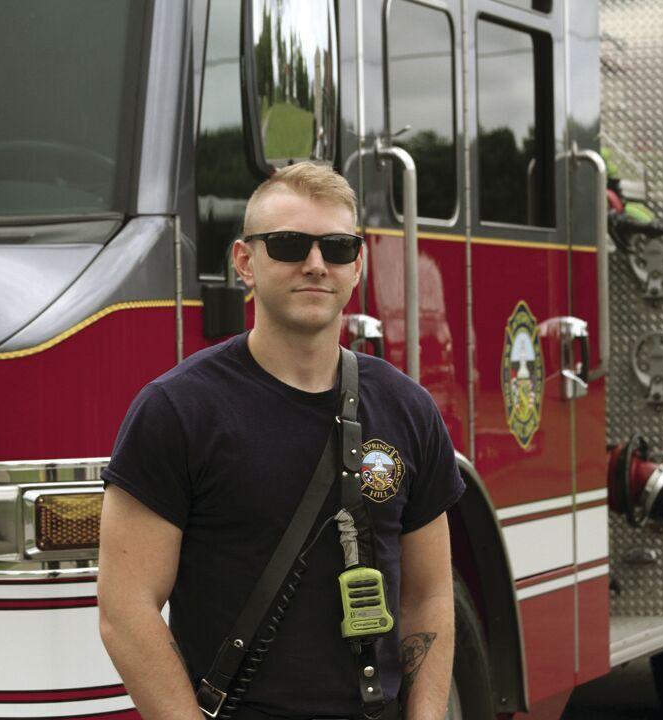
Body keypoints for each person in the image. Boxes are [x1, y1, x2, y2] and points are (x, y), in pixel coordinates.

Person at [97, 162, 465, 719]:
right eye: (290, 244)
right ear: (245, 261)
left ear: (357, 264)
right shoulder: (176, 411)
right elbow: (125, 608)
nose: (316, 264)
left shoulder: (408, 408)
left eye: (338, 248)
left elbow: (429, 596)